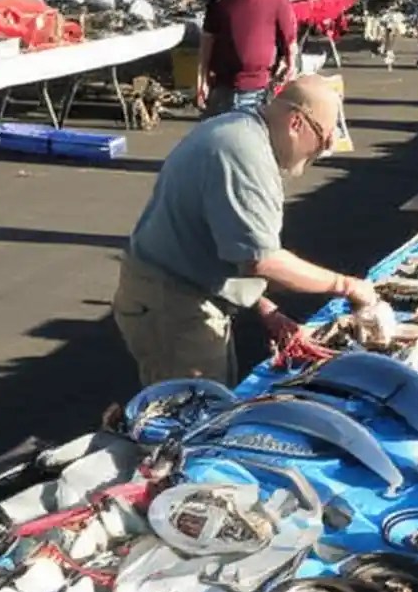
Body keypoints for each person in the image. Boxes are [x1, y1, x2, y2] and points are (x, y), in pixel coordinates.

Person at [114, 76, 380, 386]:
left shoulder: (243, 131)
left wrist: (267, 309)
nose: (317, 155)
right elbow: (262, 259)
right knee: (192, 417)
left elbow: (233, 243)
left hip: (181, 294)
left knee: (209, 403)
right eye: (321, 143)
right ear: (297, 123)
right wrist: (345, 285)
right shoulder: (244, 152)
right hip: (173, 304)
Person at [197, 0, 298, 118]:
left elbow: (289, 41)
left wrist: (289, 69)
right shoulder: (220, 0)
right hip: (222, 91)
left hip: (258, 93)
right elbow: (207, 42)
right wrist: (201, 78)